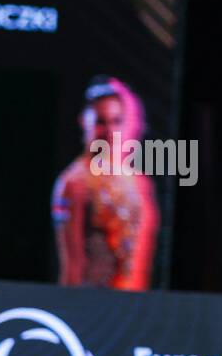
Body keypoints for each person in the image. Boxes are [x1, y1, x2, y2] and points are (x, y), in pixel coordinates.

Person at [50, 76, 160, 290]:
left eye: (116, 121)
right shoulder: (73, 184)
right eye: (101, 122)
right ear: (84, 121)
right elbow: (72, 266)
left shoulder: (140, 182)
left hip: (136, 304)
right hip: (94, 304)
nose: (109, 131)